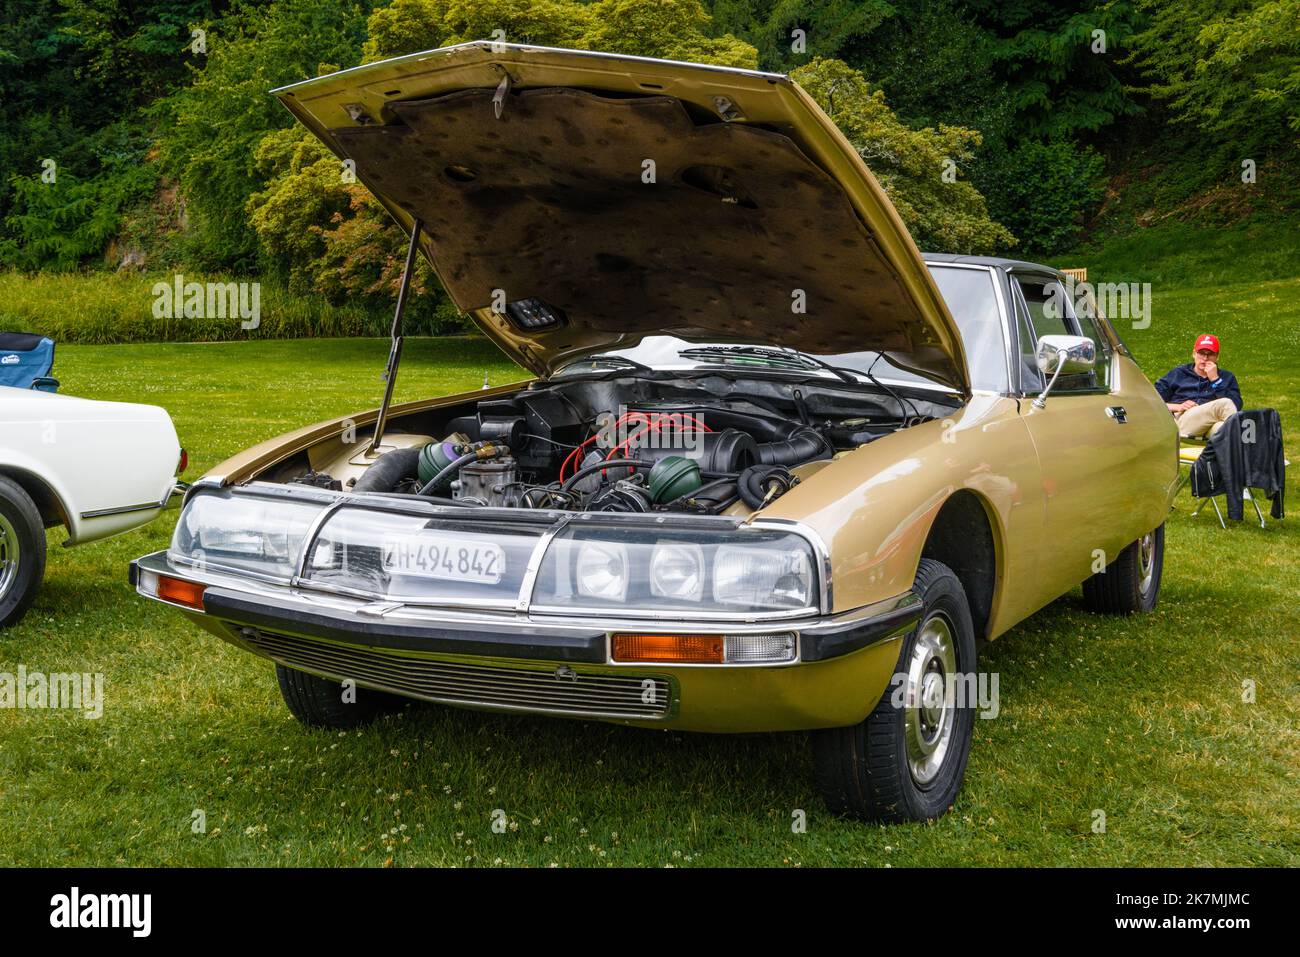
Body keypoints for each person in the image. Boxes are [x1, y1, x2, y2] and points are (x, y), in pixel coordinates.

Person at [1154, 334, 1242, 438]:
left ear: (1217, 357)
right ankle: (1248, 450)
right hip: (1183, 422)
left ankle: (1225, 452)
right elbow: (1151, 401)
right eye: (1201, 353)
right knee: (1225, 403)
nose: (1205, 358)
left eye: (1210, 354)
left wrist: (1215, 380)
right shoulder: (1179, 374)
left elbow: (1235, 407)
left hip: (1209, 427)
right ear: (1194, 354)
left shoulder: (1226, 377)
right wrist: (1178, 407)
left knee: (1222, 427)